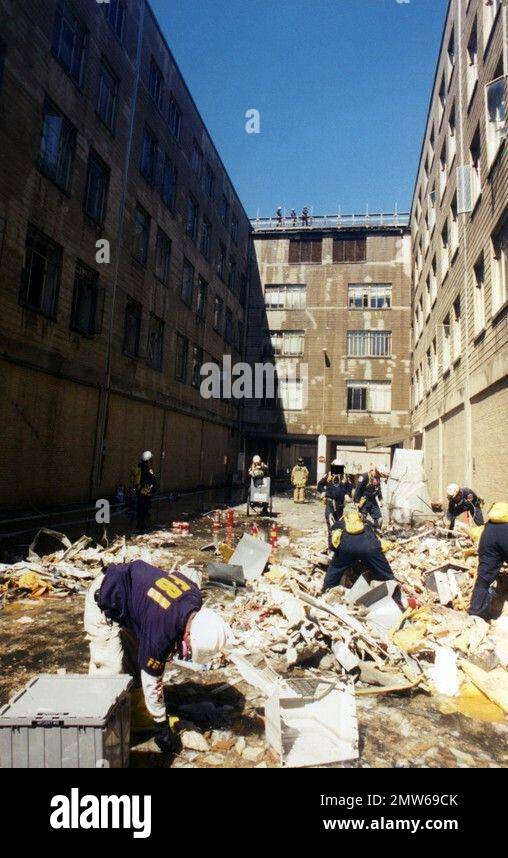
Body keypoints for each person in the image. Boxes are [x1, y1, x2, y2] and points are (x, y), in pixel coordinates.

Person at [84, 559, 233, 753]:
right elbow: (152, 680)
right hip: (104, 599)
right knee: (111, 669)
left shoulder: (194, 596)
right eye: (189, 644)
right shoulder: (160, 633)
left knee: (136, 659)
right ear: (188, 634)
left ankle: (134, 714)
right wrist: (160, 724)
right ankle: (93, 726)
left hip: (131, 597)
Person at [323, 508, 395, 592]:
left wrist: (338, 555)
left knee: (335, 568)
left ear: (345, 516)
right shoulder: (367, 523)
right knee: (385, 573)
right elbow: (376, 538)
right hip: (370, 548)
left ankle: (327, 589)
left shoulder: (339, 524)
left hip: (347, 549)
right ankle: (394, 594)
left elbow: (332, 545)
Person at [468, 502, 508, 621]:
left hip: (489, 536)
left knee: (483, 580)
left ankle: (475, 613)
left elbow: (477, 532)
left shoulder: (490, 523)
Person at [132, 451, 158, 532]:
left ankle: (140, 524)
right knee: (145, 507)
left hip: (140, 491)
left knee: (140, 507)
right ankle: (142, 525)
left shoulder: (138, 467)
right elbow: (152, 479)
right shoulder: (147, 469)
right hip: (146, 491)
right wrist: (154, 489)